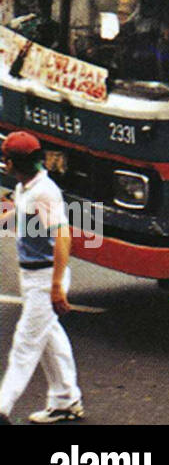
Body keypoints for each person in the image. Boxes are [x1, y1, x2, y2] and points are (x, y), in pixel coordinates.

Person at [0, 131, 85, 424]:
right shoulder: (26, 187)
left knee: (26, 341)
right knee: (48, 336)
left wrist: (57, 286)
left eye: (5, 158)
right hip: (31, 275)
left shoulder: (44, 192)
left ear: (13, 162)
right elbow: (13, 214)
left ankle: (3, 406)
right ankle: (65, 400)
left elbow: (62, 236)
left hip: (45, 276)